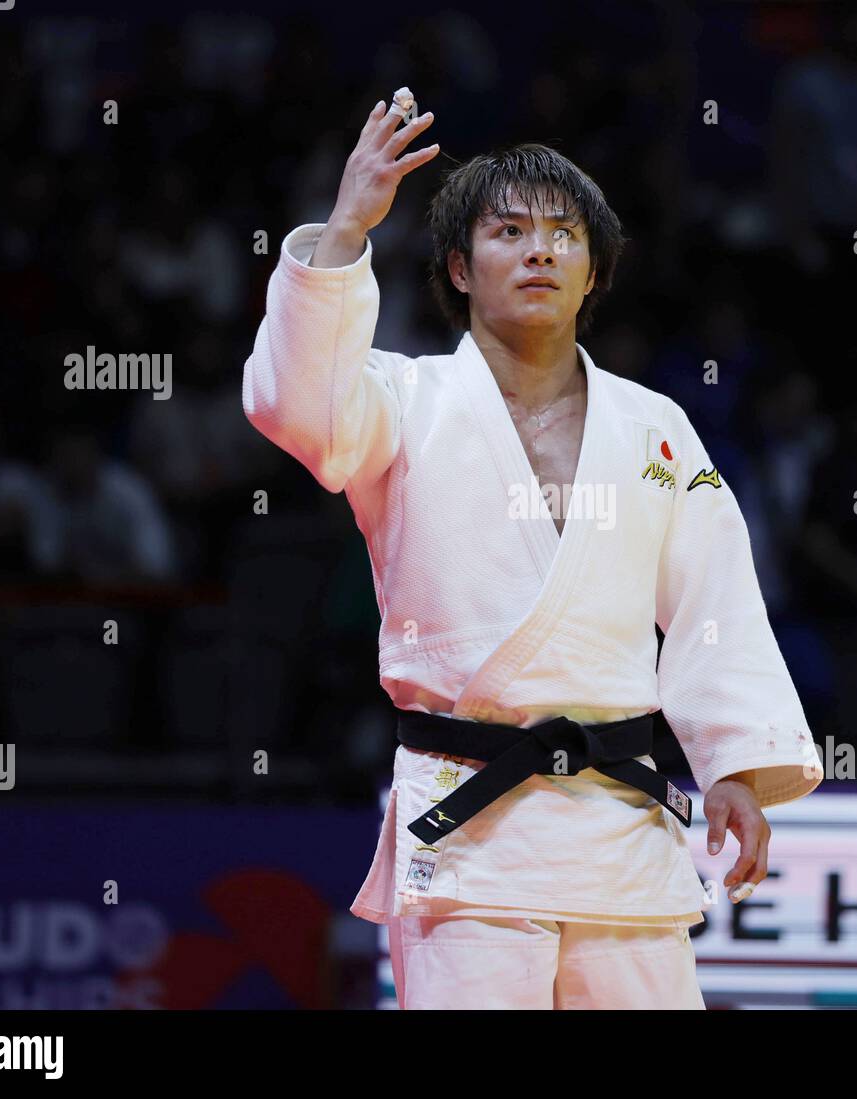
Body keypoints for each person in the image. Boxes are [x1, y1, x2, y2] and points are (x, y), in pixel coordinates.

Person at [242, 94, 823, 1009]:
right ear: (460, 269)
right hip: (471, 829)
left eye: (564, 234)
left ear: (595, 272)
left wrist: (736, 768)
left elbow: (717, 605)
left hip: (622, 833)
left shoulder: (655, 427)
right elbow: (297, 409)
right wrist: (347, 226)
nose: (541, 250)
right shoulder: (401, 400)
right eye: (508, 231)